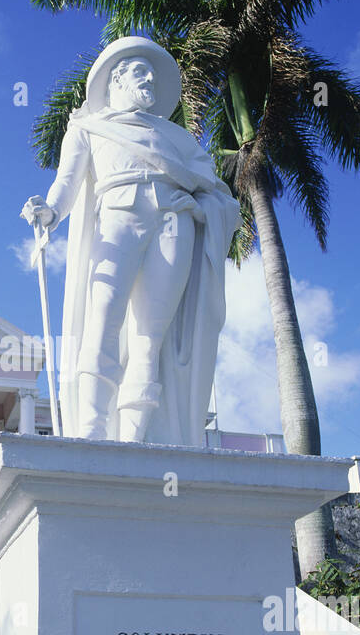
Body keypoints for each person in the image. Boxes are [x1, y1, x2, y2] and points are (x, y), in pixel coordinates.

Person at [22, 37, 240, 445]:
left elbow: (216, 192)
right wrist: (49, 212)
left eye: (153, 74)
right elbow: (67, 182)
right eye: (140, 72)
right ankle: (91, 431)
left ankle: (134, 441)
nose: (149, 79)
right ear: (116, 80)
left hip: (173, 222)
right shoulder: (88, 127)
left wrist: (202, 210)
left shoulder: (177, 138)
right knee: (103, 318)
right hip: (118, 215)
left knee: (149, 337)